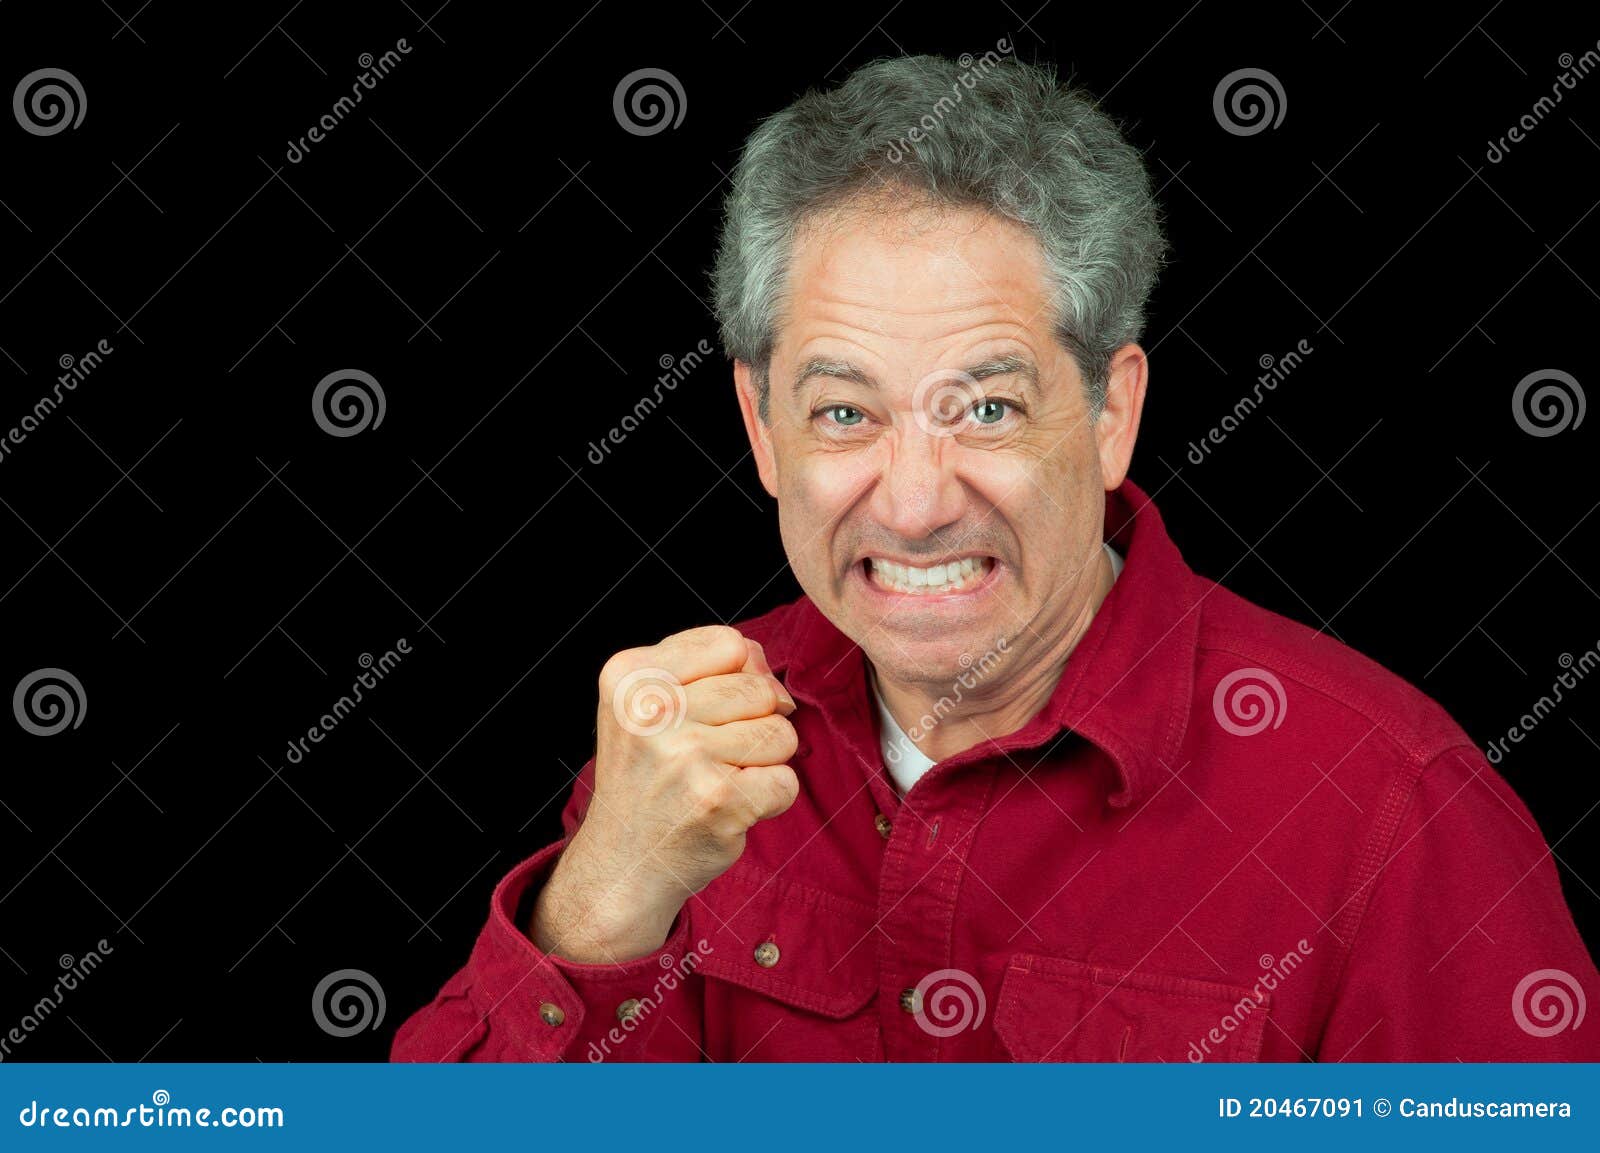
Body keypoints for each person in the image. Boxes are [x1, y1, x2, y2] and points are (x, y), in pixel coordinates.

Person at [393, 55, 1599, 1062]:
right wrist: (603, 894)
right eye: (845, 414)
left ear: (1111, 414)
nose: (913, 505)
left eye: (985, 409)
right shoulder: (679, 754)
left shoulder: (1392, 811)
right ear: (762, 429)